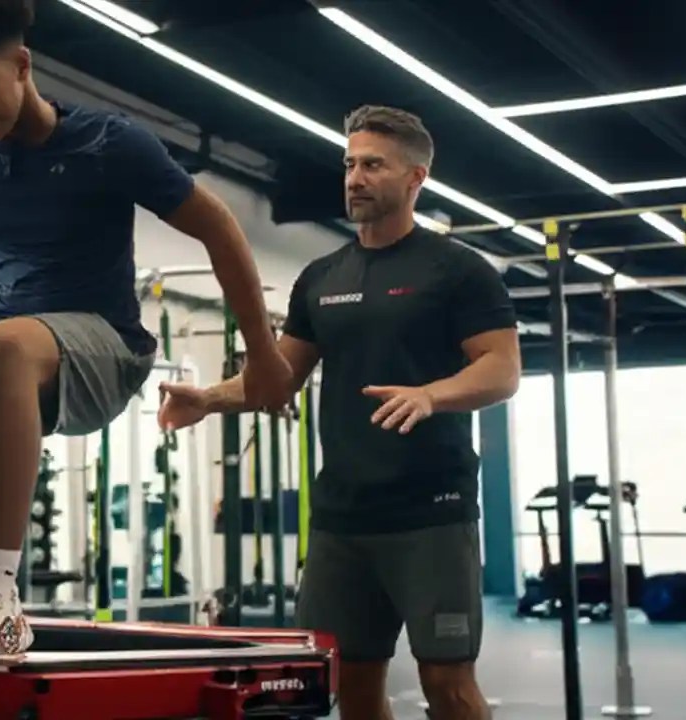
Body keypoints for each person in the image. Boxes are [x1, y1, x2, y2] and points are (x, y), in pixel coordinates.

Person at [0, 0, 292, 655]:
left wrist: (261, 356)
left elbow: (220, 227)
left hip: (104, 349)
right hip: (10, 343)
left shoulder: (110, 141)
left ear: (21, 64)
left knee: (3, 342)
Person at [158, 105, 520, 720]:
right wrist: (209, 399)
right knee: (347, 681)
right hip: (341, 519)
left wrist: (431, 394)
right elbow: (278, 379)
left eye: (373, 165)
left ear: (415, 177)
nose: (354, 177)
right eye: (350, 163)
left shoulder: (458, 271)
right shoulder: (321, 278)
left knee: (447, 684)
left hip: (430, 514)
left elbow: (501, 368)